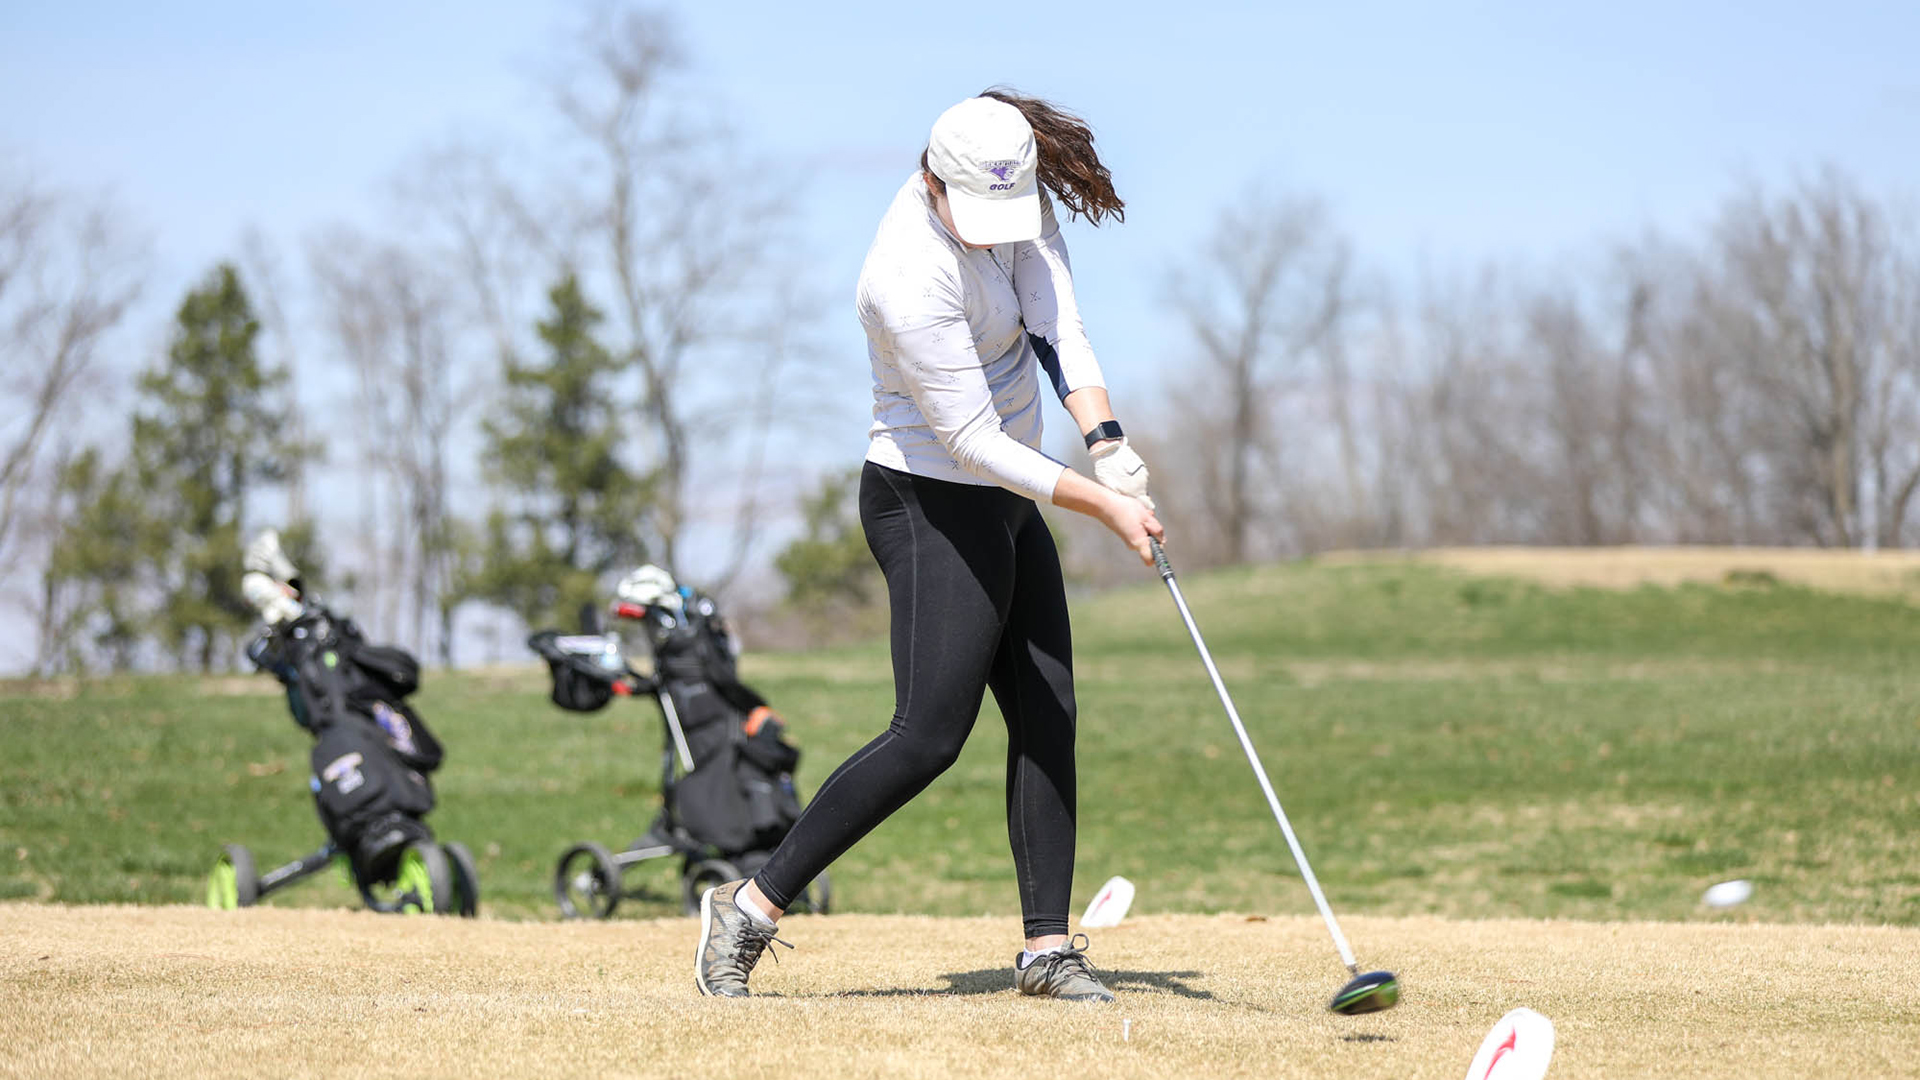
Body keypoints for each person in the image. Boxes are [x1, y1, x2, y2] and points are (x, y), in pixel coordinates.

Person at [693, 89, 1162, 1001]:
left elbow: (1059, 329)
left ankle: (1046, 949)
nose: (994, 234)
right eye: (975, 218)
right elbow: (972, 442)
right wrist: (1099, 508)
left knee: (1047, 713)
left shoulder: (1021, 207)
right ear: (929, 179)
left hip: (1010, 495)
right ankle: (748, 907)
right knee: (928, 736)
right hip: (928, 498)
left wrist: (1111, 445)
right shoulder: (901, 274)